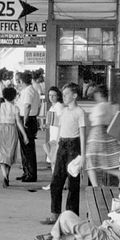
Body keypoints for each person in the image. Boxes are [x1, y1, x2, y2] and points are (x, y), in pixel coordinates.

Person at [44, 82, 86, 224]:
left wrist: (83, 156)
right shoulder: (63, 111)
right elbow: (60, 130)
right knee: (56, 181)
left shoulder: (79, 112)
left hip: (74, 146)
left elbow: (83, 134)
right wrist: (55, 148)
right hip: (62, 144)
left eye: (67, 94)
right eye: (63, 94)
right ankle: (55, 213)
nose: (64, 96)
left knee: (73, 184)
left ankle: (71, 216)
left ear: (74, 96)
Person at [86, 86, 120, 188]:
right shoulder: (113, 106)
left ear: (99, 95)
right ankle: (117, 174)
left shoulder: (99, 107)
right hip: (108, 134)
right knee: (104, 162)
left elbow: (94, 119)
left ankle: (95, 186)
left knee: (91, 162)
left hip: (96, 134)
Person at [0, 85, 26, 188]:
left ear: (4, 96)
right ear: (14, 96)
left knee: (2, 155)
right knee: (9, 155)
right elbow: (19, 123)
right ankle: (7, 176)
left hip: (1, 129)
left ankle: (5, 176)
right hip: (12, 130)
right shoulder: (16, 108)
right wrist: (25, 136)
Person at [15, 71, 41, 184]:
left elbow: (27, 106)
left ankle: (31, 174)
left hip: (27, 119)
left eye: (18, 81)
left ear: (21, 81)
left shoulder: (28, 91)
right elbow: (38, 106)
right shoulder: (31, 90)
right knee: (25, 149)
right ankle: (26, 172)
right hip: (31, 118)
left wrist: (25, 120)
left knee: (28, 148)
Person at [40, 85, 63, 179]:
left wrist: (58, 137)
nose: (51, 97)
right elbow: (51, 122)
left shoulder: (59, 106)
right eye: (50, 95)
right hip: (53, 134)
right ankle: (55, 181)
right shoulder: (52, 107)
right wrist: (45, 125)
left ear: (58, 96)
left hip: (57, 135)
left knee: (55, 160)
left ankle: (56, 182)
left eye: (54, 95)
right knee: (53, 159)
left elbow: (61, 122)